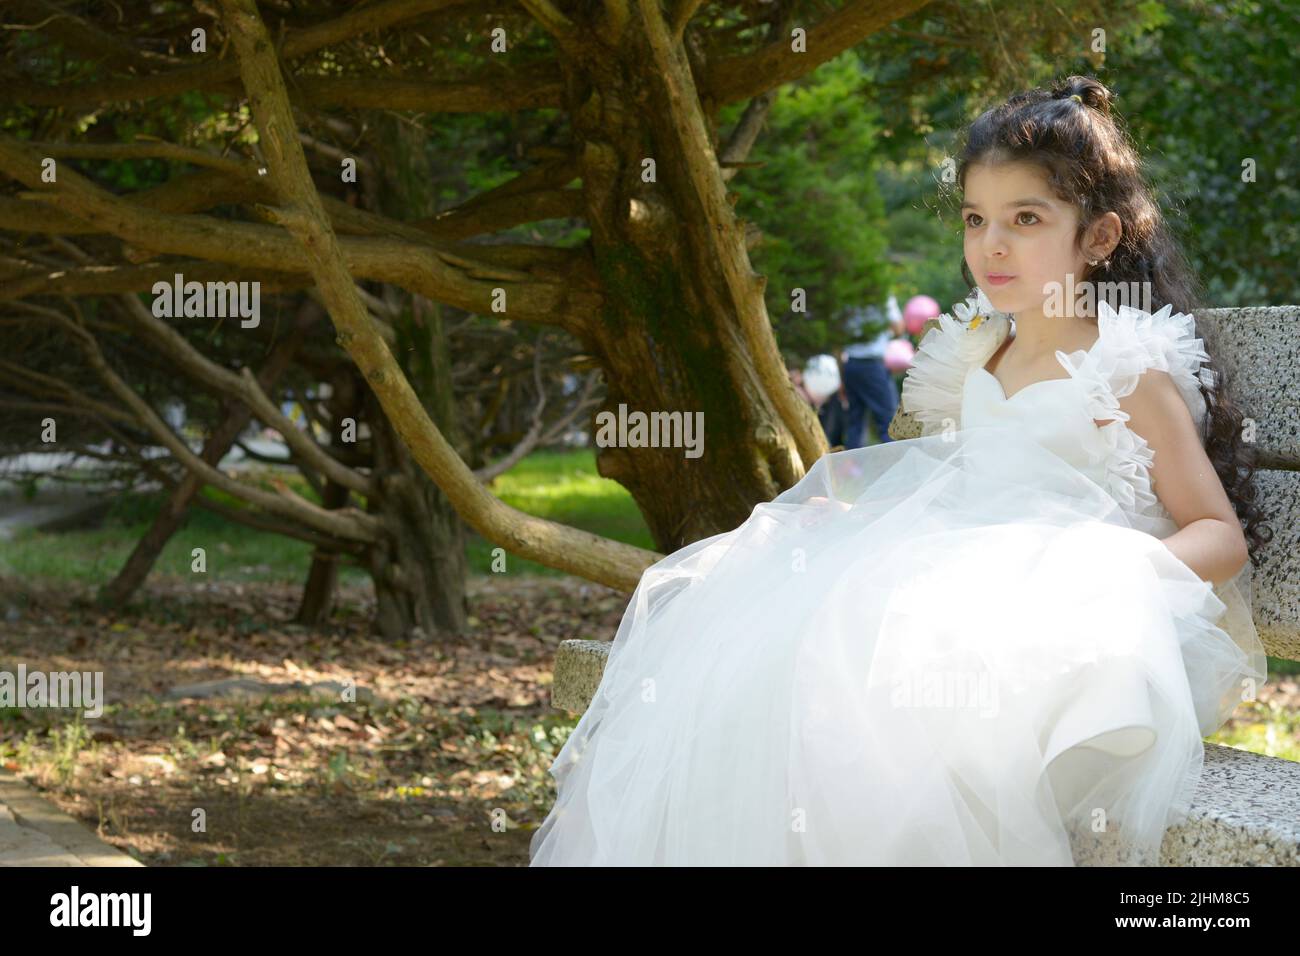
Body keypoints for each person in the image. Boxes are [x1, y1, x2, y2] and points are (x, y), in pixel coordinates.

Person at [529, 76, 1269, 866]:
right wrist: (859, 519)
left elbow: (1218, 535)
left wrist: (1097, 573)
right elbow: (956, 481)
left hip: (1071, 625)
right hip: (964, 583)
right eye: (976, 219)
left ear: (1097, 235)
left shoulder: (1126, 371)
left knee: (887, 692)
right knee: (775, 659)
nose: (992, 245)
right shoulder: (979, 354)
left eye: (1027, 220)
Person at [840, 300, 903, 446]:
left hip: (850, 364)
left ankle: (853, 468)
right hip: (873, 365)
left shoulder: (846, 288)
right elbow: (898, 327)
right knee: (889, 424)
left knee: (855, 425)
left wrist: (842, 375)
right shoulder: (882, 291)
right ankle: (896, 465)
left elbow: (837, 335)